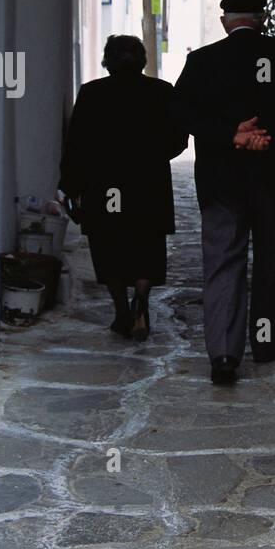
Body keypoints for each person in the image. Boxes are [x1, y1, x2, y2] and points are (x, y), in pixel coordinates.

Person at [175, 0, 275, 384]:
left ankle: (224, 354)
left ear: (226, 21)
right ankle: (264, 343)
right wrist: (269, 133)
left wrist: (232, 135)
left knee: (223, 261)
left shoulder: (203, 61)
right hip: (274, 180)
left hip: (222, 181)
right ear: (261, 19)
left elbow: (180, 112)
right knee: (270, 261)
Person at [59, 35, 187, 341]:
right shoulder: (161, 91)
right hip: (149, 181)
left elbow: (76, 144)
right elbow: (179, 138)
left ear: (108, 60)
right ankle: (141, 303)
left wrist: (70, 185)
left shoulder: (92, 93)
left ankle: (120, 311)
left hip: (104, 184)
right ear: (142, 59)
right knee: (147, 244)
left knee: (109, 245)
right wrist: (154, 157)